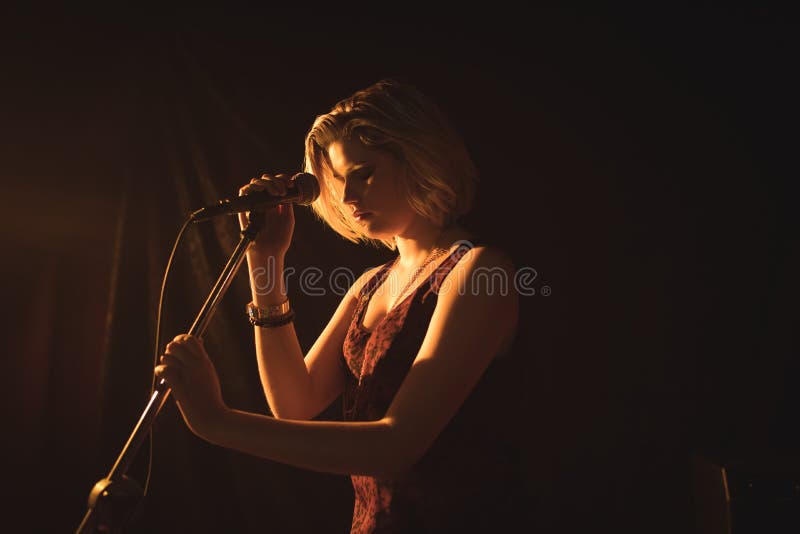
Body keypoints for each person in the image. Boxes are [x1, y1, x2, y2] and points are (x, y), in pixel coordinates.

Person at [155, 78, 526, 533]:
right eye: (338, 180)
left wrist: (218, 423)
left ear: (418, 159)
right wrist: (265, 260)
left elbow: (395, 445)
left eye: (364, 173)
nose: (348, 198)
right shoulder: (371, 285)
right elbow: (294, 404)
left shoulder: (479, 271)